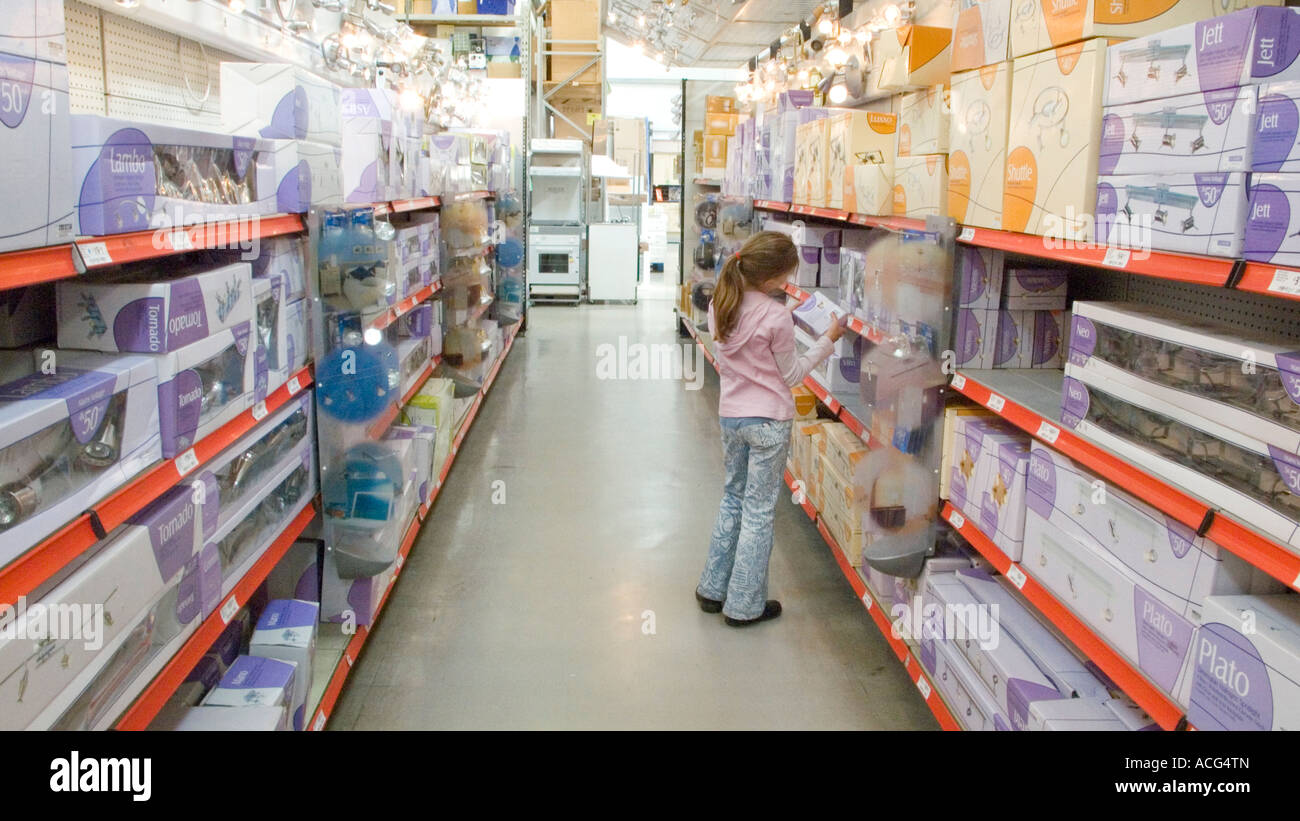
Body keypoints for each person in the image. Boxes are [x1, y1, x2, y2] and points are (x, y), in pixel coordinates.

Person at [696, 231, 846, 627]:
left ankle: (712, 589)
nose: (788, 281)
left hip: (732, 417)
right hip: (767, 422)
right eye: (786, 275)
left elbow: (746, 343)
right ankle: (744, 606)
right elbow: (792, 374)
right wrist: (827, 340)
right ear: (773, 277)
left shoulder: (720, 303)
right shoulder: (775, 316)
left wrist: (786, 312)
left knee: (732, 498)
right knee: (759, 512)